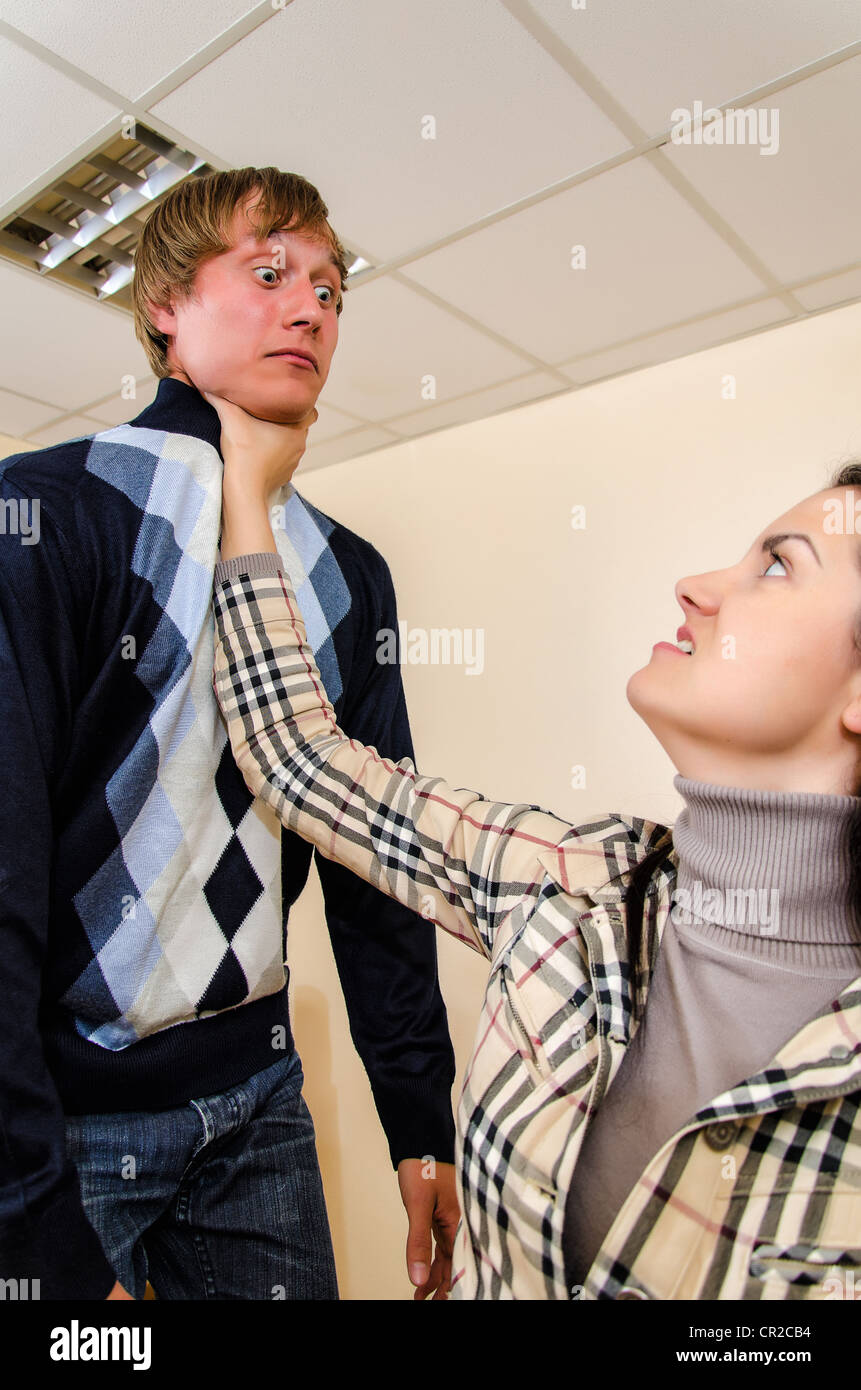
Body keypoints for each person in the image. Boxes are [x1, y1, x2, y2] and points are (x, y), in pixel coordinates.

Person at [205, 392, 861, 1300]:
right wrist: (246, 486)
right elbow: (300, 759)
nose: (698, 585)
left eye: (779, 568)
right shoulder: (572, 880)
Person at [0, 166, 459, 1302]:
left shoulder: (350, 576)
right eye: (268, 273)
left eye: (331, 289)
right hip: (66, 1123)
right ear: (163, 304)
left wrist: (418, 1113)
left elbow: (373, 863)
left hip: (256, 1103)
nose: (310, 307)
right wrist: (28, 1215)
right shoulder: (48, 514)